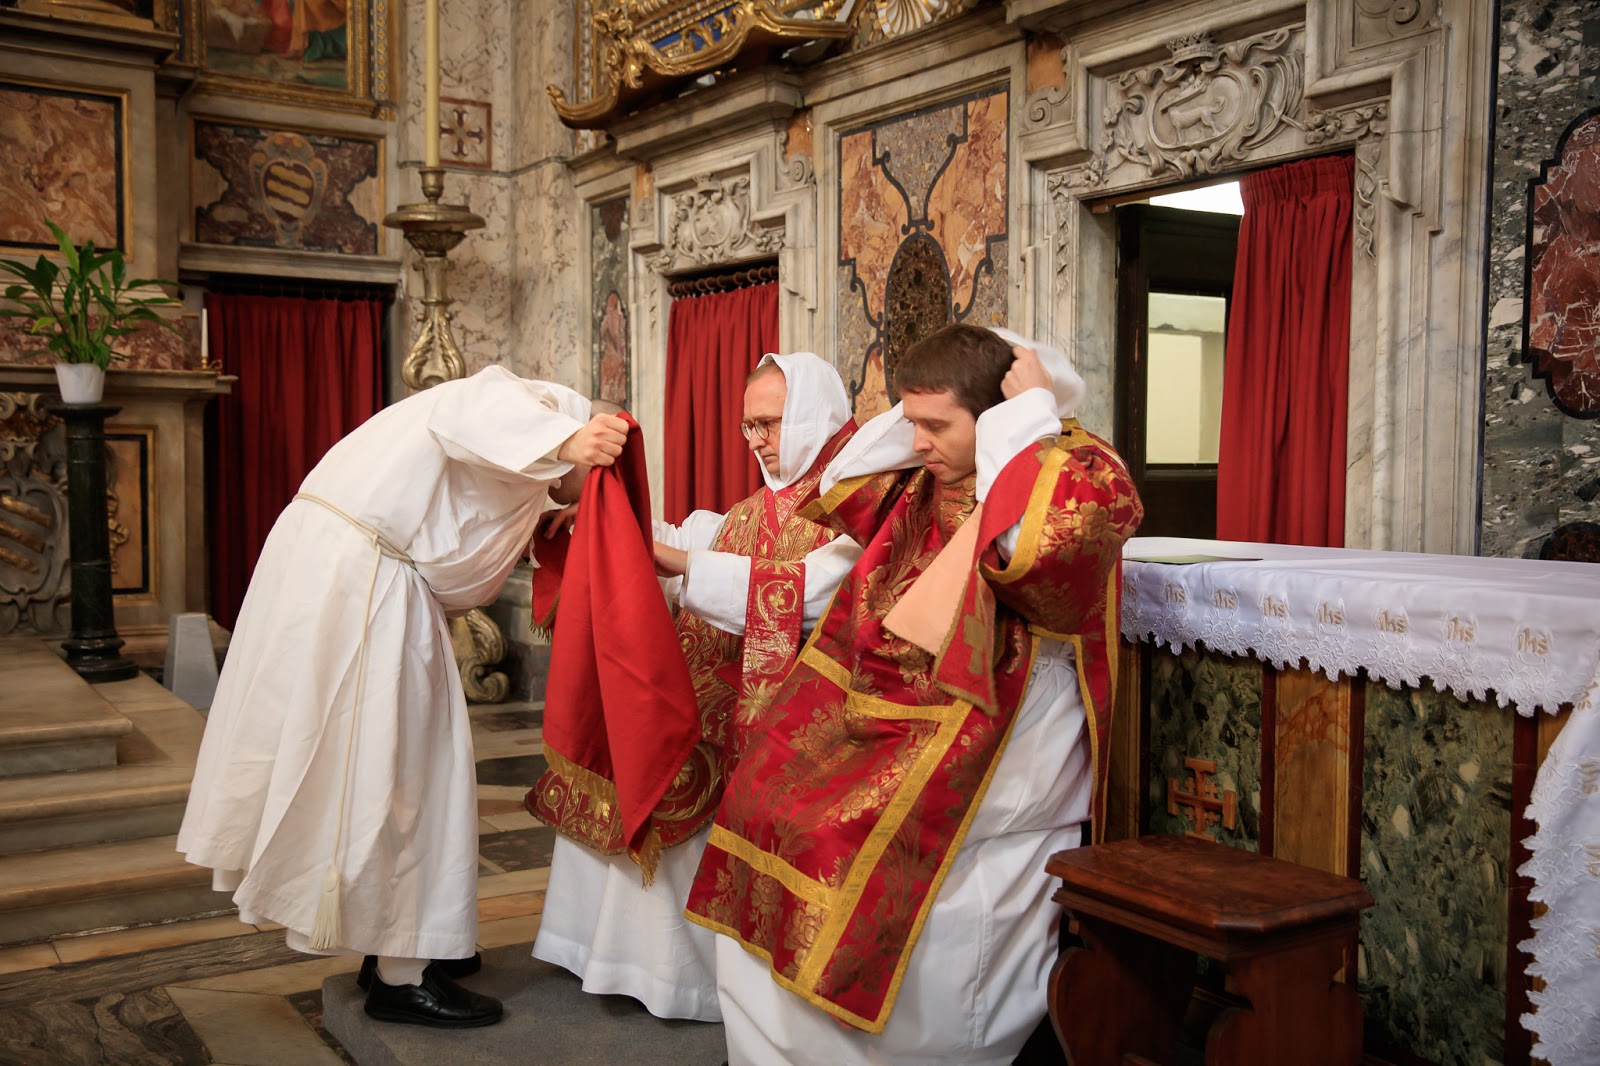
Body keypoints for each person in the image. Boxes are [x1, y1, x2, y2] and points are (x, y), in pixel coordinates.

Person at [685, 324, 1144, 1064]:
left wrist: (1022, 425)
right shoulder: (929, 469)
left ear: (996, 415)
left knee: (833, 832)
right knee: (760, 796)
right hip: (897, 700)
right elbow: (843, 485)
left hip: (1003, 716)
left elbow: (1035, 563)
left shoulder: (1079, 467)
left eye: (935, 424)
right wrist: (924, 421)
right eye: (910, 420)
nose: (917, 439)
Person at [176, 365, 628, 1028]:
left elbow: (463, 512)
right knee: (410, 777)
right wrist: (566, 442)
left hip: (357, 575)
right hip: (367, 585)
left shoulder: (510, 448)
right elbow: (471, 413)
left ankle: (399, 940)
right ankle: (402, 975)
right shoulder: (525, 403)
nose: (588, 489)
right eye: (596, 476)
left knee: (387, 775)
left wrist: (547, 500)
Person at [532, 352, 861, 1022]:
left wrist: (669, 557)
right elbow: (691, 541)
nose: (756, 441)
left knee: (672, 763)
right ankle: (599, 954)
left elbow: (803, 595)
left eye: (770, 424)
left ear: (815, 416)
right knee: (626, 744)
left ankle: (674, 980)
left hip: (800, 708)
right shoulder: (751, 510)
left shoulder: (851, 509)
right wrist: (603, 523)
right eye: (748, 427)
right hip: (721, 684)